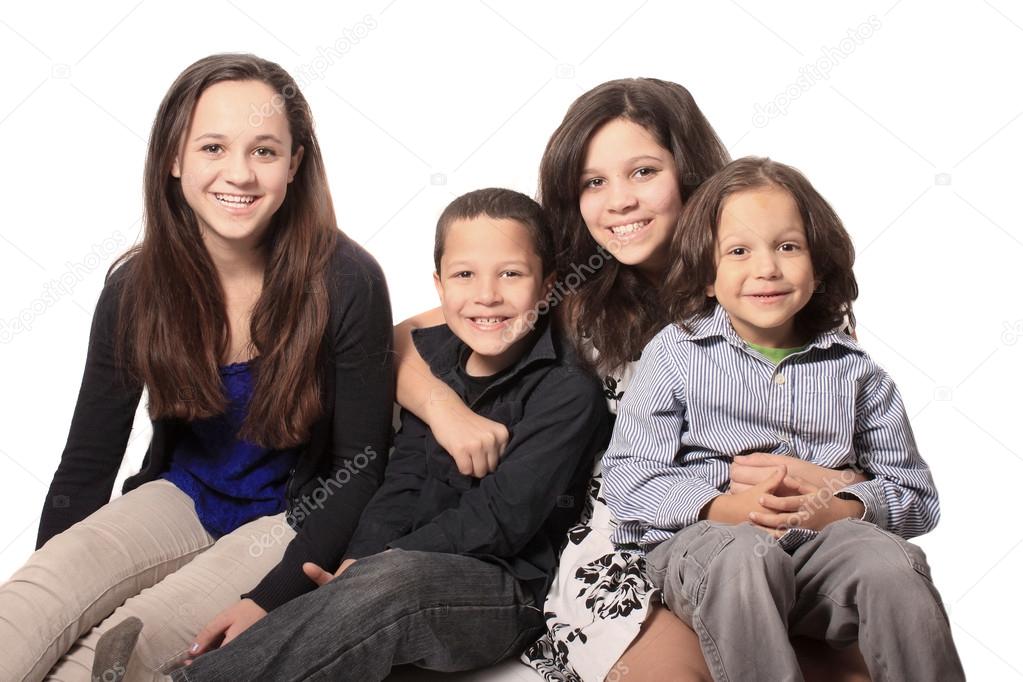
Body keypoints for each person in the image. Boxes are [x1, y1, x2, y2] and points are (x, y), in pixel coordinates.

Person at [395, 79, 870, 681]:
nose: (618, 201)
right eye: (594, 182)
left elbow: (862, 447)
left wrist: (837, 482)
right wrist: (446, 410)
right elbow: (403, 341)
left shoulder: (766, 282)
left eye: (642, 172)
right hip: (627, 545)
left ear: (689, 173)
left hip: (774, 536)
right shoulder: (567, 293)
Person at [0, 53, 394, 682]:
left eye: (264, 151)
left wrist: (276, 591)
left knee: (120, 647)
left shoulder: (347, 280)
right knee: (27, 608)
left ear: (295, 165)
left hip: (283, 520)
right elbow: (88, 461)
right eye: (213, 146)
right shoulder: (136, 286)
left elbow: (359, 464)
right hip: (181, 495)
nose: (238, 172)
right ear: (174, 160)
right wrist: (64, 580)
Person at [166, 188, 611, 681]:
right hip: (394, 571)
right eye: (465, 274)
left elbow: (502, 520)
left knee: (391, 581)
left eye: (511, 273)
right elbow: (398, 485)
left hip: (501, 591)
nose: (487, 294)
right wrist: (360, 557)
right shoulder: (433, 366)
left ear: (547, 285)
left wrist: (379, 565)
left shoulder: (567, 390)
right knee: (341, 583)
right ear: (439, 287)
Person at [602, 156, 965, 681]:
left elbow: (917, 498)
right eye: (739, 251)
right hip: (708, 549)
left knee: (893, 566)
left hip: (821, 551)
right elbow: (629, 474)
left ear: (817, 269)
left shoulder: (856, 372)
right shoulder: (677, 353)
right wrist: (725, 507)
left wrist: (837, 507)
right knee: (748, 557)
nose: (766, 268)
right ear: (708, 275)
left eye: (787, 247)